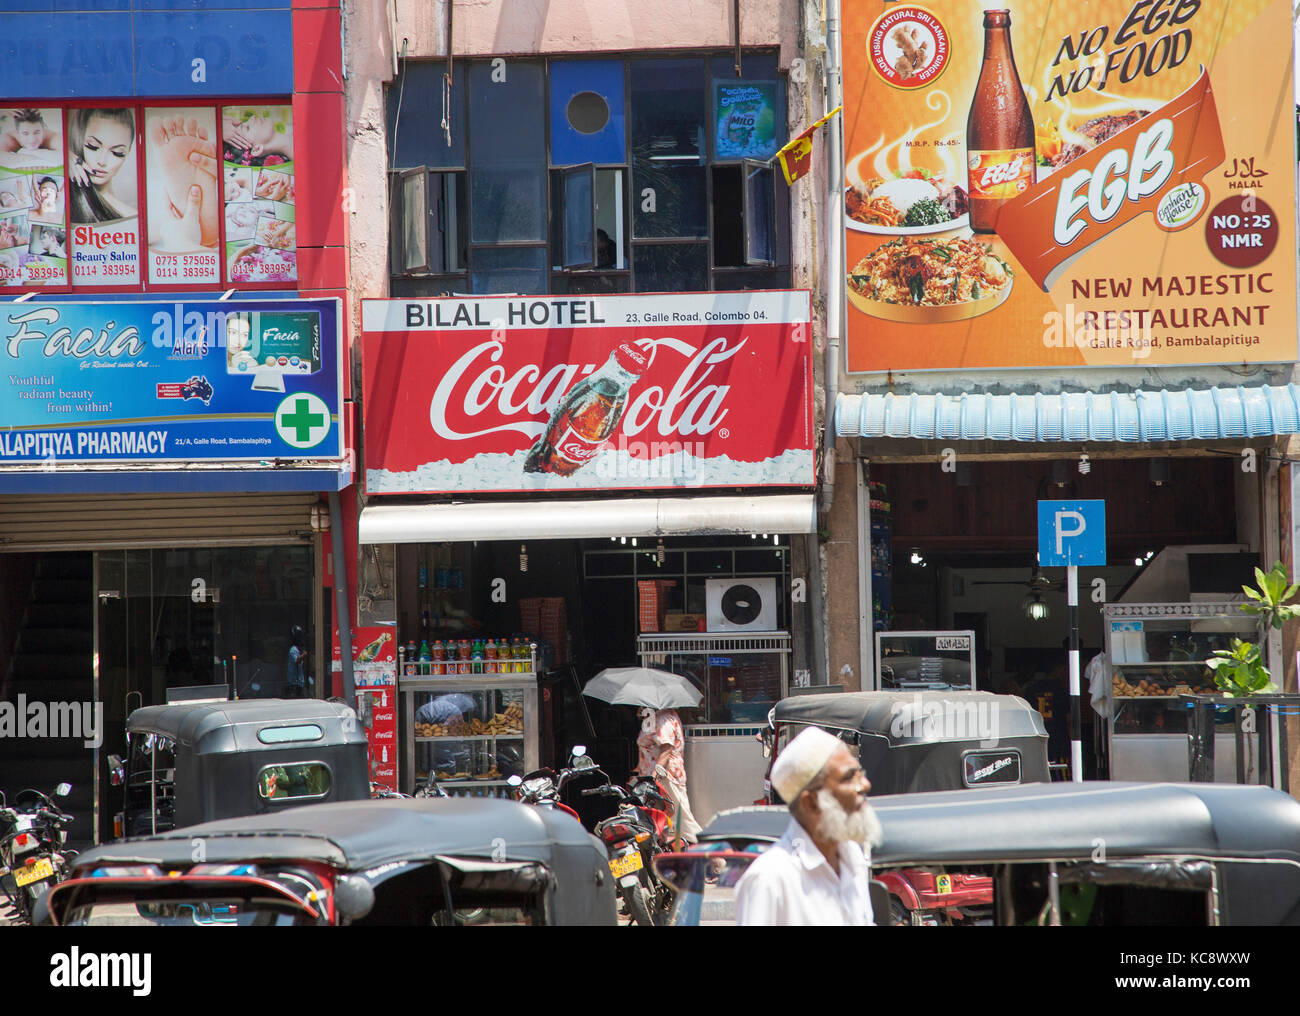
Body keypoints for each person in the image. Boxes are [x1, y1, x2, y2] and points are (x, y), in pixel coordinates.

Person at [735, 725, 881, 926]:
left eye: (859, 773)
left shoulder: (852, 857)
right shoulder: (770, 879)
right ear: (811, 802)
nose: (865, 785)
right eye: (849, 777)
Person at [635, 707, 701, 844]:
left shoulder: (663, 718)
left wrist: (653, 777)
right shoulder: (655, 718)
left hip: (665, 778)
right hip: (656, 777)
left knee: (682, 823)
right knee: (659, 822)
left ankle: (715, 858)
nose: (639, 707)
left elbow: (667, 748)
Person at [67, 107, 137, 223]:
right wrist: (63, 157)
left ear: (127, 153)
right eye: (92, 146)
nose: (102, 161)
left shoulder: (133, 217)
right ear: (77, 139)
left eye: (117, 153)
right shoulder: (62, 189)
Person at [285, 625, 308, 698]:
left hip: (299, 683)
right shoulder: (293, 649)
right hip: (293, 684)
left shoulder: (298, 649)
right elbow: (297, 660)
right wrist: (303, 655)